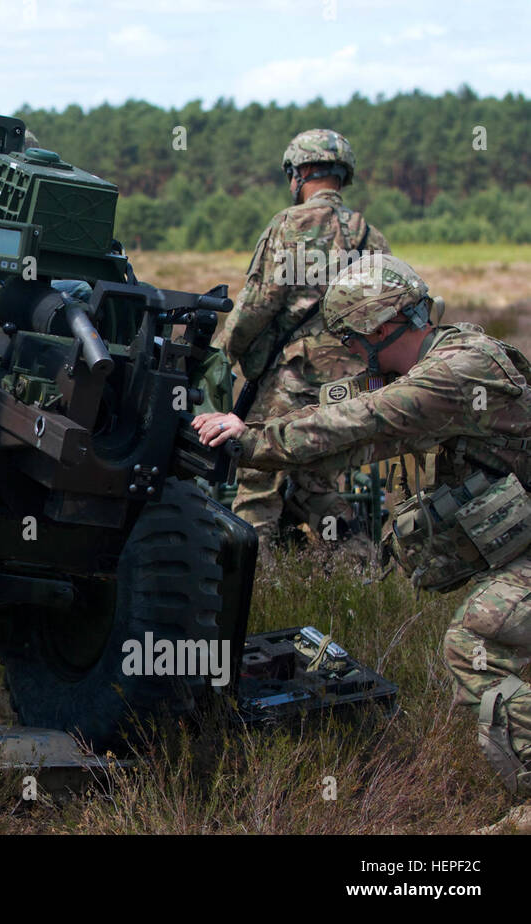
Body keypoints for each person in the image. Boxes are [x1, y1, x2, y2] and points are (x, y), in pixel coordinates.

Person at [194, 254, 531, 808]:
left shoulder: (457, 373)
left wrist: (250, 441)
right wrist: (250, 426)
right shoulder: (443, 357)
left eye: (351, 341)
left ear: (378, 329)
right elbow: (351, 403)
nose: (351, 354)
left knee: (480, 637)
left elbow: (366, 418)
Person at [216, 129, 391, 551]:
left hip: (295, 377)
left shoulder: (288, 225)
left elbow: (257, 304)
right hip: (354, 385)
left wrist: (225, 353)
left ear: (301, 173)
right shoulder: (370, 236)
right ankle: (361, 568)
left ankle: (256, 587)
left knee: (259, 477)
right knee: (314, 481)